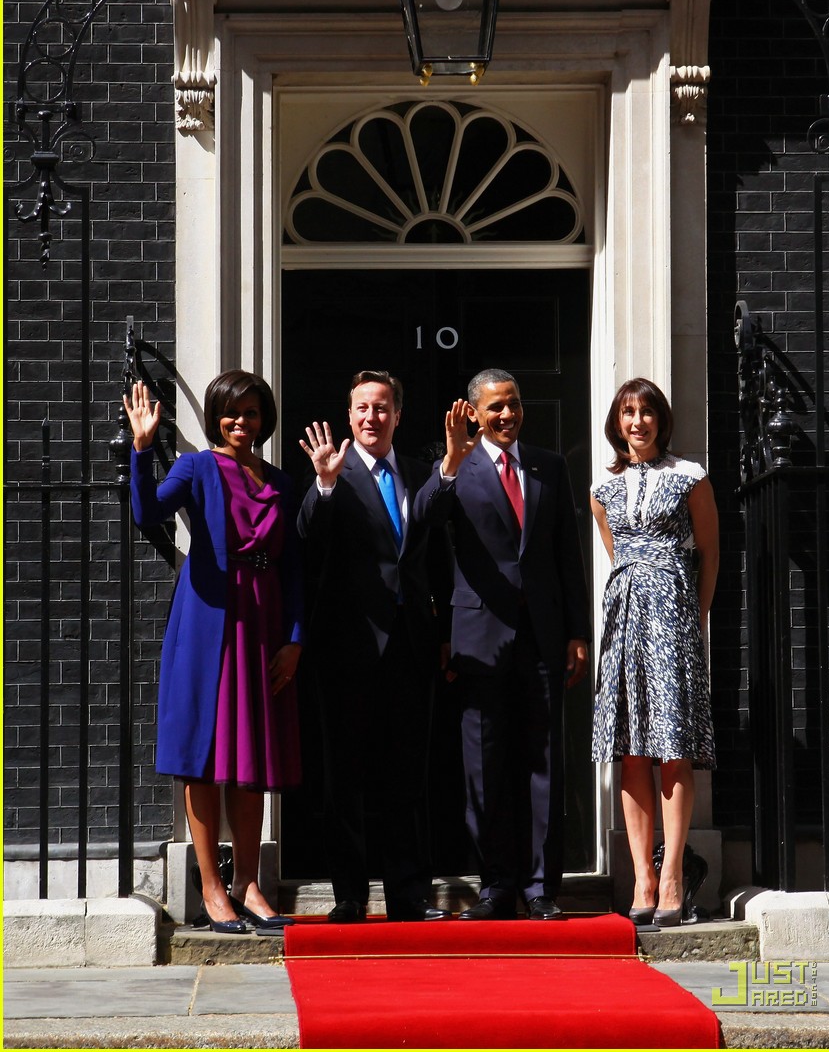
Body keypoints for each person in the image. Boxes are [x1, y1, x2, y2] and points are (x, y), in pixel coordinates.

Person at [125, 371, 302, 936]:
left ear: (263, 419)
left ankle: (250, 886)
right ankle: (211, 887)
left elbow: (296, 568)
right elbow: (148, 512)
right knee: (203, 756)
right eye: (229, 412)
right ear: (214, 417)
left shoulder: (280, 480)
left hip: (264, 620)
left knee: (251, 764)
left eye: (250, 413)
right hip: (207, 621)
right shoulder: (198, 466)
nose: (239, 423)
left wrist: (295, 639)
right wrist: (143, 448)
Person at [414, 369, 591, 920]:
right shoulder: (455, 468)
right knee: (483, 765)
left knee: (543, 763)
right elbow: (422, 526)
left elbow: (568, 553)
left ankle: (540, 889)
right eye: (495, 408)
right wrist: (449, 461)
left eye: (513, 405)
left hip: (542, 636)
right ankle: (495, 885)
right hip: (479, 639)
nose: (507, 415)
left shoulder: (549, 466)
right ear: (473, 413)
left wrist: (578, 632)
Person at [297, 370, 452, 923]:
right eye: (362, 408)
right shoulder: (332, 474)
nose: (371, 417)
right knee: (347, 777)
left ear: (397, 415)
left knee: (408, 776)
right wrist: (325, 485)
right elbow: (309, 541)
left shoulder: (417, 474)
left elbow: (436, 558)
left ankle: (410, 895)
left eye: (382, 407)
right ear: (349, 416)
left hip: (411, 648)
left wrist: (445, 629)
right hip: (349, 649)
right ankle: (351, 897)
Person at [589, 377, 718, 928]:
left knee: (672, 745)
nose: (637, 422)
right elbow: (616, 554)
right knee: (630, 748)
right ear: (617, 423)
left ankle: (672, 878)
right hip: (624, 619)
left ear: (661, 420)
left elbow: (709, 553)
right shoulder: (602, 490)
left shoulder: (690, 478)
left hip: (674, 617)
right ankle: (641, 875)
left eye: (646, 412)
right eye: (627, 413)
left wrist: (695, 618)